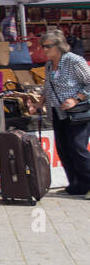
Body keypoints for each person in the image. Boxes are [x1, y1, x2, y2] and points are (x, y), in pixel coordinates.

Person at [40, 29, 90, 196]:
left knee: (78, 148)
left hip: (77, 112)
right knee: (64, 149)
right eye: (43, 46)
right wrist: (38, 103)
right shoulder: (48, 65)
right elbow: (48, 86)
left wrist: (76, 98)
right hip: (57, 111)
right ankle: (76, 185)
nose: (44, 50)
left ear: (59, 46)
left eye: (48, 46)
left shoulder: (74, 61)